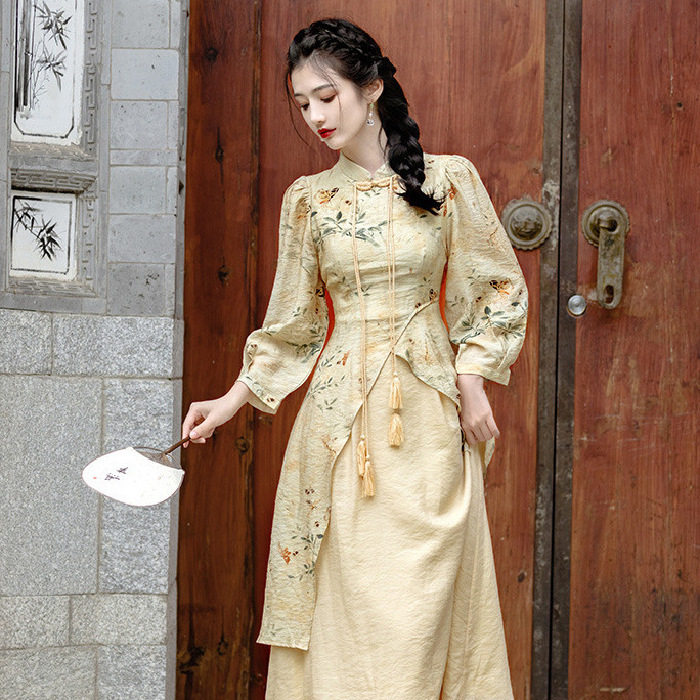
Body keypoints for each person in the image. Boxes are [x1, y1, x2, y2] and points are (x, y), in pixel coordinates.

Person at [181, 17, 527, 699]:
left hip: (426, 420)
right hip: (337, 429)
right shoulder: (308, 202)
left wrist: (472, 377)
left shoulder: (449, 180)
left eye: (326, 96)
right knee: (348, 601)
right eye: (301, 103)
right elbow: (293, 327)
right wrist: (228, 403)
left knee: (418, 604)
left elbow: (497, 287)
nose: (315, 116)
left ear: (371, 89)